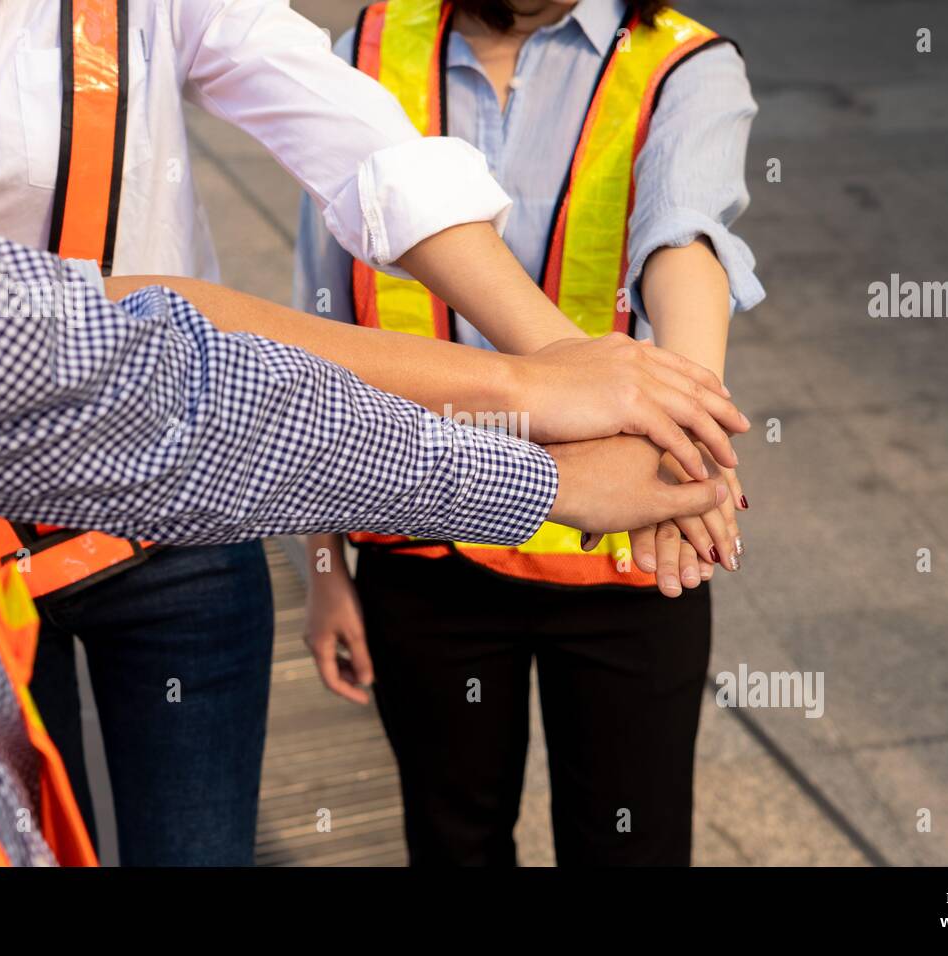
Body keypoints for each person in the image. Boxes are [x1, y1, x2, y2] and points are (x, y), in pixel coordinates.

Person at [0, 0, 739, 863]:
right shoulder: (391, 37)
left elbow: (354, 168)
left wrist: (625, 410)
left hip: (184, 518)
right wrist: (551, 411)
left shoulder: (675, 61)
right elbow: (147, 344)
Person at [295, 0, 765, 865]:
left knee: (632, 846)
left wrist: (682, 438)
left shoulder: (682, 64)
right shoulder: (363, 46)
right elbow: (322, 318)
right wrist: (326, 569)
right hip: (423, 541)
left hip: (628, 552)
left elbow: (684, 236)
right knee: (453, 843)